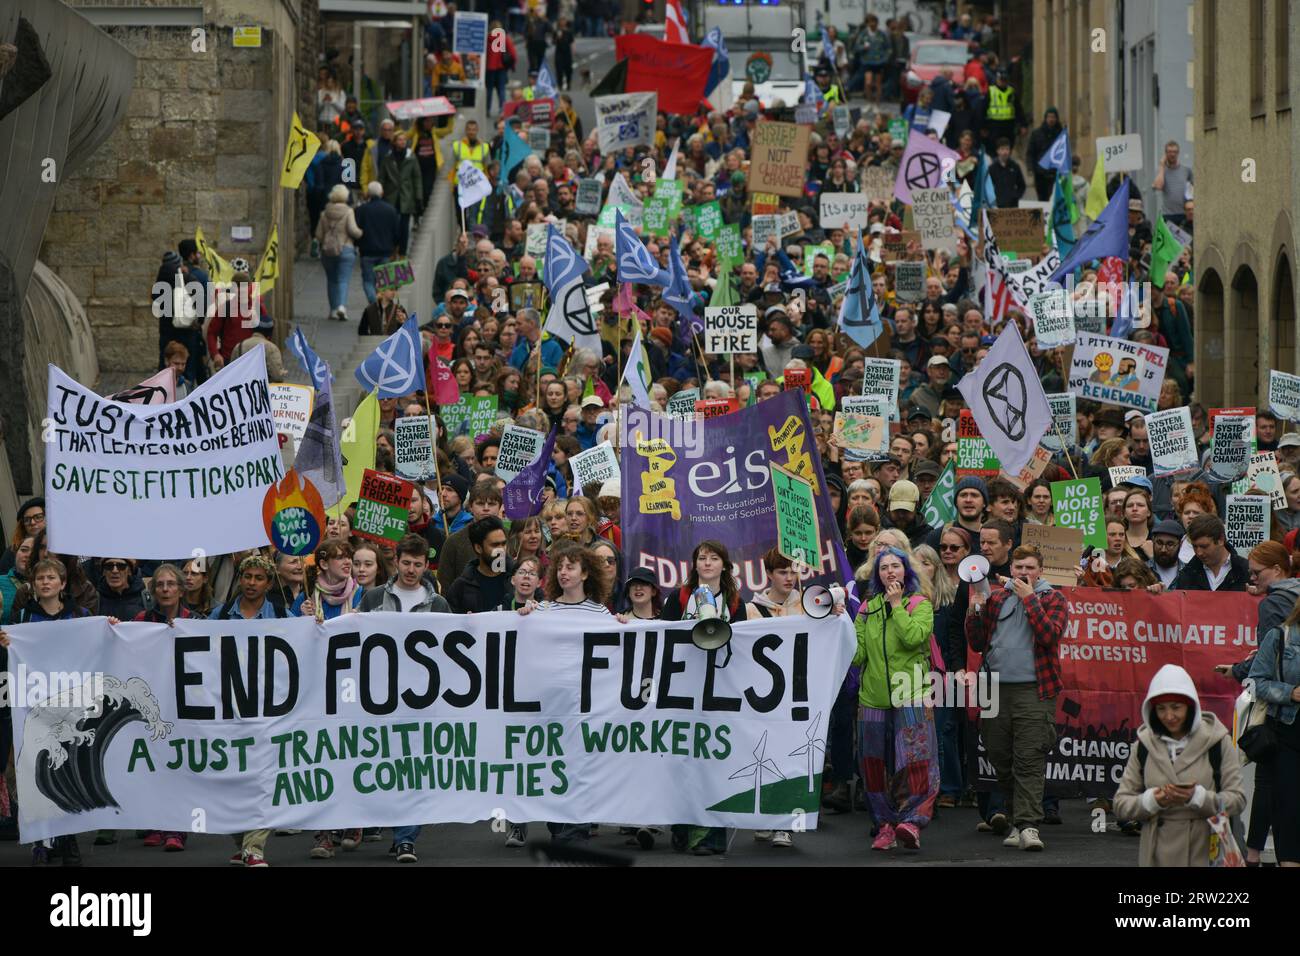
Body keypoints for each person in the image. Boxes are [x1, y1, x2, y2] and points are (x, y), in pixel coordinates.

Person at [966, 544, 1070, 852]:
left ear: (1040, 571)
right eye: (1019, 567)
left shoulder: (1054, 599)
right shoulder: (997, 597)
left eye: (1029, 568)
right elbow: (976, 641)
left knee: (1029, 758)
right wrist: (976, 608)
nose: (1023, 572)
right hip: (995, 687)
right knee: (1000, 756)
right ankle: (1015, 819)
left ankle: (1028, 826)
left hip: (1033, 690)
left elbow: (1049, 636)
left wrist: (1029, 600)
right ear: (1011, 569)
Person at [358, 533, 452, 863]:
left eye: (418, 564)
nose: (412, 570)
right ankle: (385, 822)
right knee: (384, 763)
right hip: (380, 696)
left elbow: (451, 647)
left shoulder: (438, 604)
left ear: (427, 566)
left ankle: (406, 838)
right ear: (396, 561)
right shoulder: (371, 598)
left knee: (413, 768)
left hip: (422, 699)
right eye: (406, 563)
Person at [1113, 664, 1245, 866]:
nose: (1168, 716)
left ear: (1191, 706)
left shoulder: (1217, 742)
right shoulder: (1143, 746)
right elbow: (1121, 805)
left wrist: (1198, 798)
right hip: (1157, 853)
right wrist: (1152, 800)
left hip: (1205, 851)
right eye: (1161, 708)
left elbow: (1237, 800)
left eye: (1176, 707)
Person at [854, 546, 937, 851]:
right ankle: (885, 825)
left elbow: (914, 637)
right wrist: (838, 624)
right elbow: (857, 654)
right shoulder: (866, 609)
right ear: (877, 574)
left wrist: (897, 605)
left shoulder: (920, 604)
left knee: (916, 763)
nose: (890, 571)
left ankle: (911, 822)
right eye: (884, 567)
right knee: (874, 767)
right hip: (872, 699)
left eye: (896, 566)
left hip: (911, 695)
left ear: (907, 571)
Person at [1245, 600, 1300, 867]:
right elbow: (1255, 681)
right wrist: (1289, 693)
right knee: (1288, 812)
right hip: (1287, 734)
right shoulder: (1280, 636)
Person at [315, 184, 363, 321]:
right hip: (345, 249)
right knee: (343, 279)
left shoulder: (324, 213)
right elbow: (353, 230)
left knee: (331, 280)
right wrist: (361, 233)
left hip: (328, 251)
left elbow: (318, 234)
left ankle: (333, 310)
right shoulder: (348, 212)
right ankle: (341, 306)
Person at [446, 517, 511, 613]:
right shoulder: (460, 588)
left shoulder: (519, 578)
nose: (501, 549)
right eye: (495, 545)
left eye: (503, 544)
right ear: (478, 548)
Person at [1171, 514, 1250, 591]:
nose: (1199, 553)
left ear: (1221, 540)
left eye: (1204, 547)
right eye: (1194, 546)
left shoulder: (1246, 571)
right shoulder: (1187, 574)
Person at [354, 181, 401, 304]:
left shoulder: (361, 210)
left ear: (368, 193)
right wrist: (396, 248)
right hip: (386, 251)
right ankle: (380, 304)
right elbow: (397, 232)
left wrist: (357, 245)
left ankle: (374, 303)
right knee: (384, 282)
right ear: (382, 193)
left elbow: (356, 231)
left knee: (368, 281)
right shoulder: (390, 210)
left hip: (367, 251)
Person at [293, 540, 363, 621]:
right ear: (324, 564)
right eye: (340, 558)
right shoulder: (306, 597)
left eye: (349, 557)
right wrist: (303, 619)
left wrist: (359, 621)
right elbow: (290, 630)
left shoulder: (361, 594)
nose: (348, 562)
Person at [379, 131, 424, 255]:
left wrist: (419, 196)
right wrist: (379, 192)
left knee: (404, 227)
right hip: (391, 196)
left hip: (406, 196)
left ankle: (402, 252)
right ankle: (393, 250)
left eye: (404, 140)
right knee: (392, 226)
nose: (403, 142)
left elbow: (417, 177)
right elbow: (382, 177)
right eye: (400, 139)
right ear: (394, 142)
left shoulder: (411, 157)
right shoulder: (388, 158)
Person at [1151, 140, 1193, 227]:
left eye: (1175, 152)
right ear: (1165, 153)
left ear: (1178, 153)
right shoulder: (1162, 171)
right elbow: (1158, 186)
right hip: (1168, 215)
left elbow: (1194, 187)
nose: (1172, 154)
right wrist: (1162, 165)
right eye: (1170, 152)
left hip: (1184, 214)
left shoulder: (1186, 170)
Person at [0, 497, 43, 573]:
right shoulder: (12, 551)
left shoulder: (60, 545)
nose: (32, 522)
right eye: (27, 520)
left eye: (38, 517)